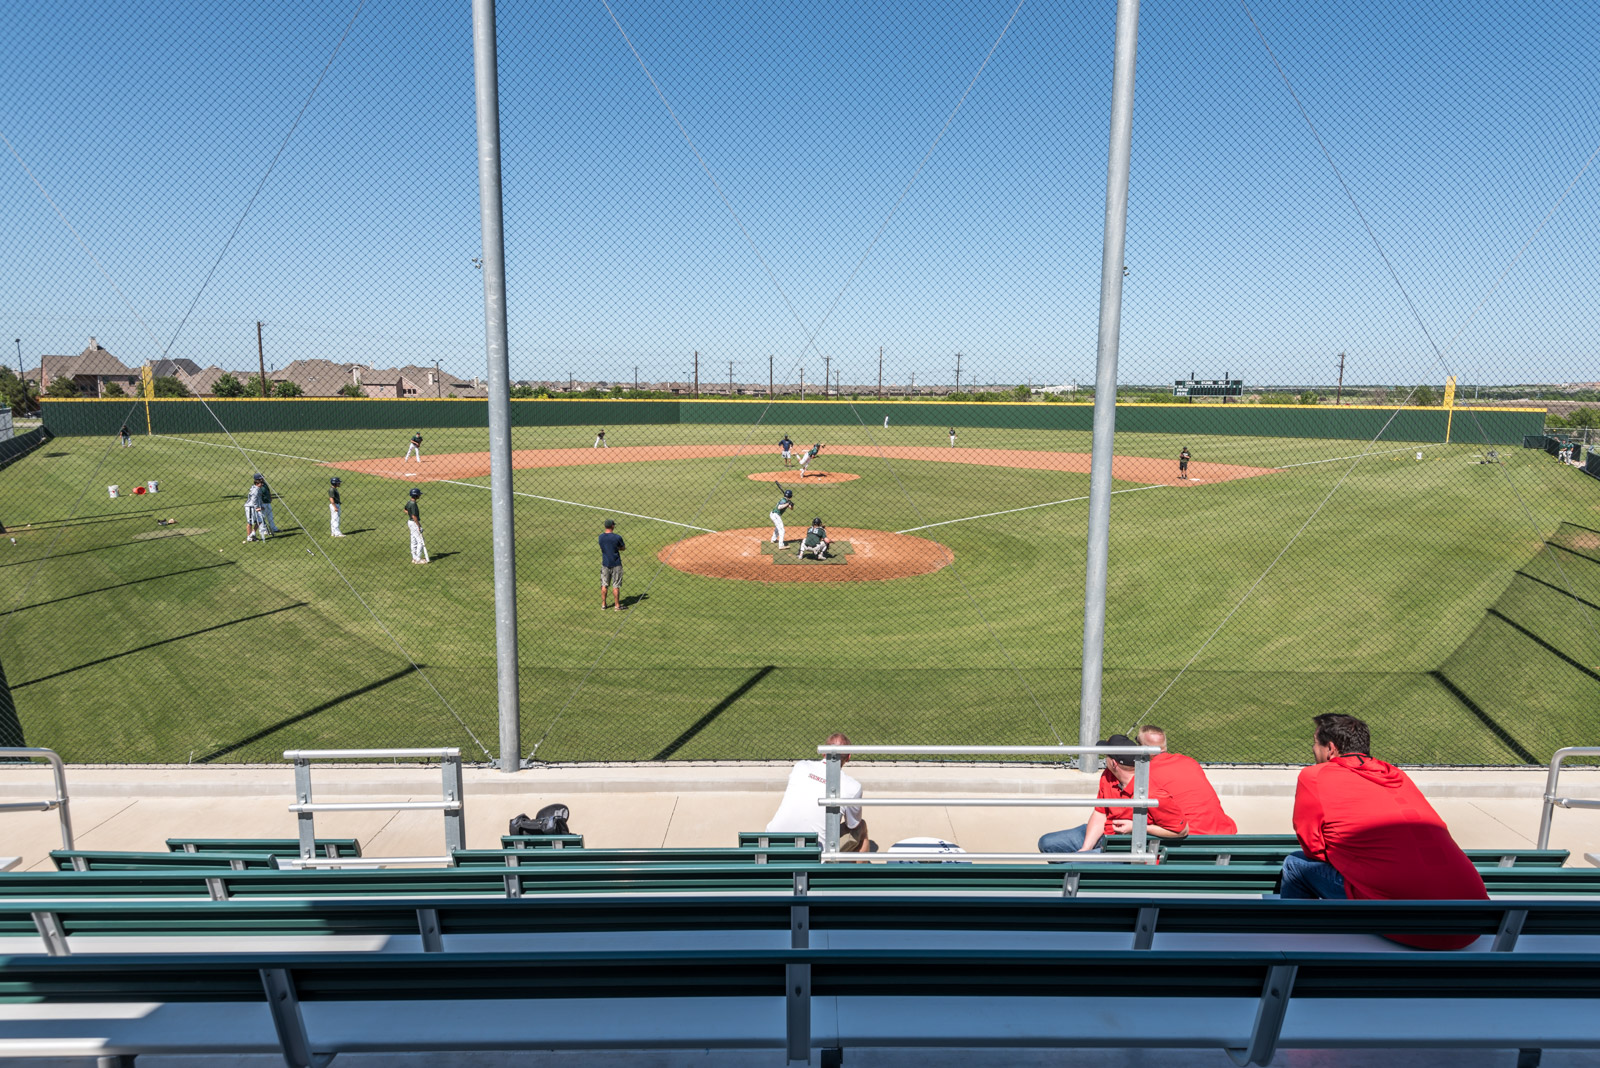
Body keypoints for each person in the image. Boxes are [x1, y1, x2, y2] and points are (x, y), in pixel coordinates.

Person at [1280, 713, 1487, 949]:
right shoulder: (1396, 775)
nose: (1313, 749)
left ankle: (1292, 946)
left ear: (1331, 749)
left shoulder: (1314, 776)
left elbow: (1313, 848)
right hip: (1474, 921)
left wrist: (1350, 859)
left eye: (1315, 743)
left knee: (1294, 864)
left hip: (1412, 926)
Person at [1038, 734, 1190, 853]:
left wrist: (1136, 827)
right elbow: (1100, 813)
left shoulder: (1153, 792)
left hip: (1124, 848)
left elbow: (1181, 830)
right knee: (1047, 843)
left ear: (1114, 763)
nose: (1105, 759)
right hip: (1105, 835)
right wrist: (1086, 848)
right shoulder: (1108, 776)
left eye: (1107, 756)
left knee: (1076, 864)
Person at [766, 732, 873, 852]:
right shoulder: (853, 787)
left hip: (772, 846)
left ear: (823, 753)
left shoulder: (801, 767)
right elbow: (852, 825)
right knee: (861, 827)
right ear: (848, 757)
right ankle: (861, 870)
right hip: (814, 856)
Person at [1136, 725, 1236, 835]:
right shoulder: (1190, 761)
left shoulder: (1146, 772)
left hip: (1190, 836)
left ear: (1144, 749)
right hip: (1225, 831)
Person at [599, 518, 625, 610]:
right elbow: (623, 548)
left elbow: (603, 548)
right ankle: (617, 605)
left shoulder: (601, 537)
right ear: (612, 526)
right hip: (616, 563)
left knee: (604, 584)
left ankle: (603, 604)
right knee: (616, 585)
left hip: (605, 563)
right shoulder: (617, 537)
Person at [405, 487, 428, 563]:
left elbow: (405, 510)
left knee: (413, 540)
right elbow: (414, 516)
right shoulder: (413, 504)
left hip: (410, 522)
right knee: (420, 541)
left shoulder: (409, 502)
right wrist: (419, 526)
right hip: (414, 523)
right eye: (419, 494)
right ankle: (418, 559)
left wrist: (410, 514)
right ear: (416, 495)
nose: (420, 495)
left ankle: (414, 557)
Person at [244, 476, 265, 543]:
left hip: (254, 507)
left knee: (260, 520)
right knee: (250, 522)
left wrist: (260, 506)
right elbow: (253, 500)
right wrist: (257, 508)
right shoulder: (255, 490)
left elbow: (258, 499)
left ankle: (252, 534)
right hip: (250, 507)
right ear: (257, 484)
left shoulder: (257, 489)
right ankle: (249, 537)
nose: (262, 484)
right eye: (261, 483)